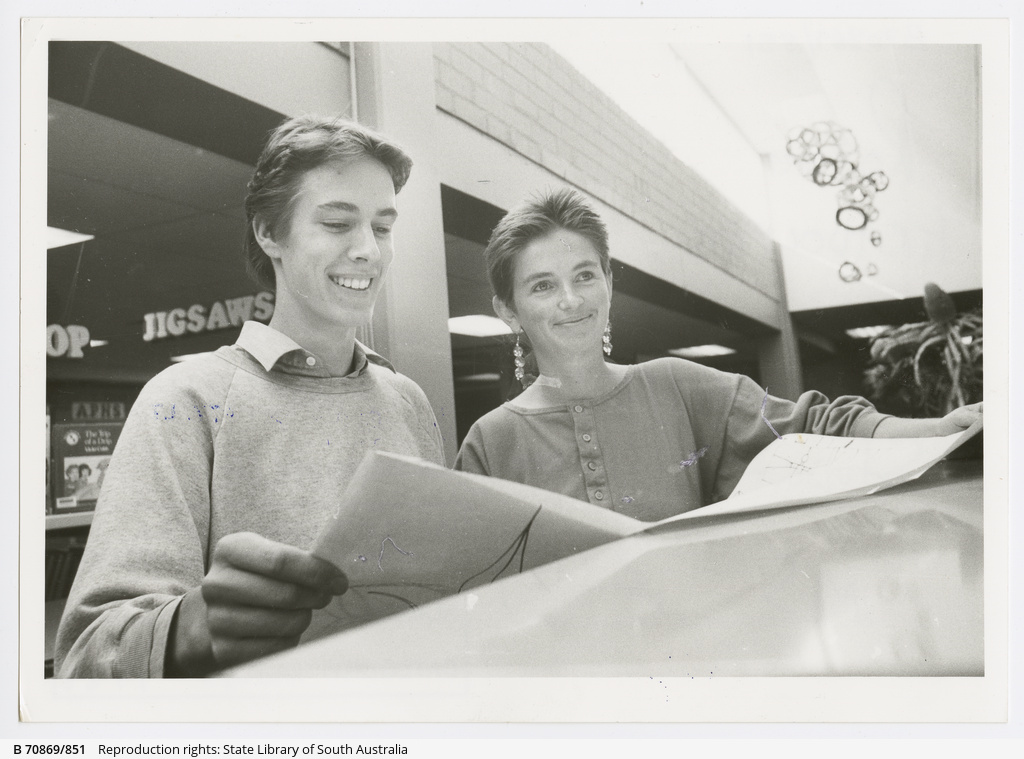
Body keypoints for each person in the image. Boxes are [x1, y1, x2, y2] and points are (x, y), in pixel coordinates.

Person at [56, 116, 445, 678]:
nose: (369, 250)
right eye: (338, 223)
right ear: (269, 232)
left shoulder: (408, 400)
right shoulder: (184, 399)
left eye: (383, 228)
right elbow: (85, 656)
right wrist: (189, 627)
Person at [454, 188, 982, 522]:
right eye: (543, 286)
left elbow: (820, 423)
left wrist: (941, 427)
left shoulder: (678, 387)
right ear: (509, 310)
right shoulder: (489, 443)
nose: (571, 300)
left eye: (585, 275)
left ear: (610, 284)